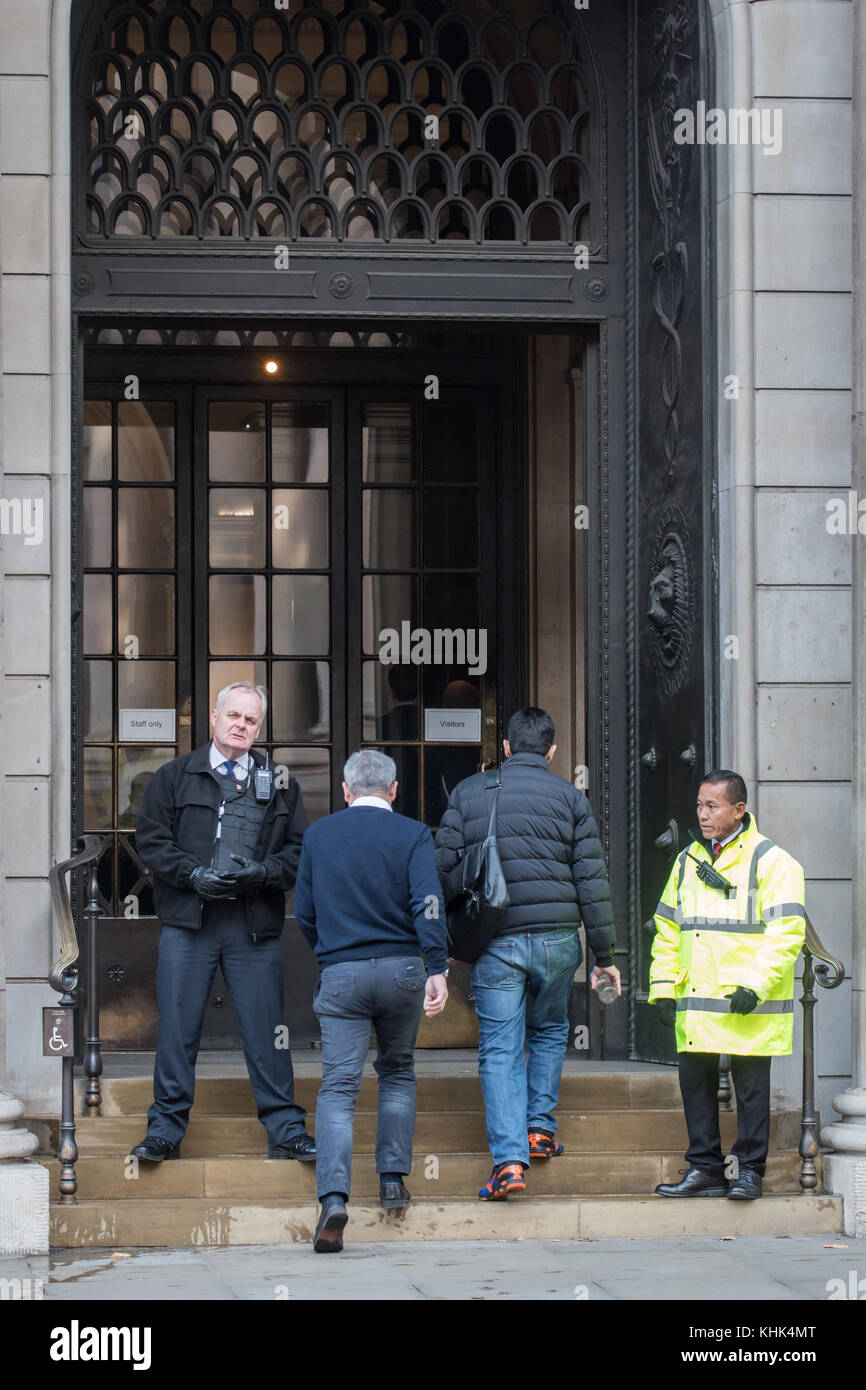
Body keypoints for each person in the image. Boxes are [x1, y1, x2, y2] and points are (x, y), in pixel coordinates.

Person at [434, 706, 619, 1201]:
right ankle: (540, 1129)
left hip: (497, 940)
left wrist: (444, 940)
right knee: (552, 1028)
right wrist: (604, 953)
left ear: (507, 748)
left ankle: (509, 1163)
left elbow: (442, 868)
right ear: (552, 752)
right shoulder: (570, 798)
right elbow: (592, 882)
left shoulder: (470, 793)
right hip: (560, 939)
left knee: (499, 1047)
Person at [130, 682, 315, 1164]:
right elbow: (150, 839)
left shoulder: (279, 781)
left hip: (251, 924)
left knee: (267, 1030)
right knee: (177, 1028)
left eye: (251, 720)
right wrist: (190, 874)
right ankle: (164, 1131)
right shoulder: (175, 776)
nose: (240, 725)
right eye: (233, 715)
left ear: (259, 728)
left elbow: (298, 852)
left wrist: (262, 873)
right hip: (189, 922)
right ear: (213, 717)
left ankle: (286, 1129)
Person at [293, 749, 449, 1253]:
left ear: (344, 790)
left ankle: (334, 1197)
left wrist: (331, 953)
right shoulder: (412, 834)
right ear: (394, 789)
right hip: (404, 969)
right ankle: (391, 1179)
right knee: (397, 1071)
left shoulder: (319, 835)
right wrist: (437, 967)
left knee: (338, 1088)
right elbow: (428, 902)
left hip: (342, 973)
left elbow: (305, 911)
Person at [649, 769, 806, 1200]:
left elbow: (787, 932)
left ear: (739, 810)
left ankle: (750, 1172)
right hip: (697, 1000)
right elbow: (666, 928)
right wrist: (663, 989)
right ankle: (705, 1169)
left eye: (711, 806)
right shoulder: (687, 861)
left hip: (747, 1002)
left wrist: (754, 986)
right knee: (695, 1086)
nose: (701, 814)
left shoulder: (773, 862)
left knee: (752, 1090)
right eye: (699, 804)